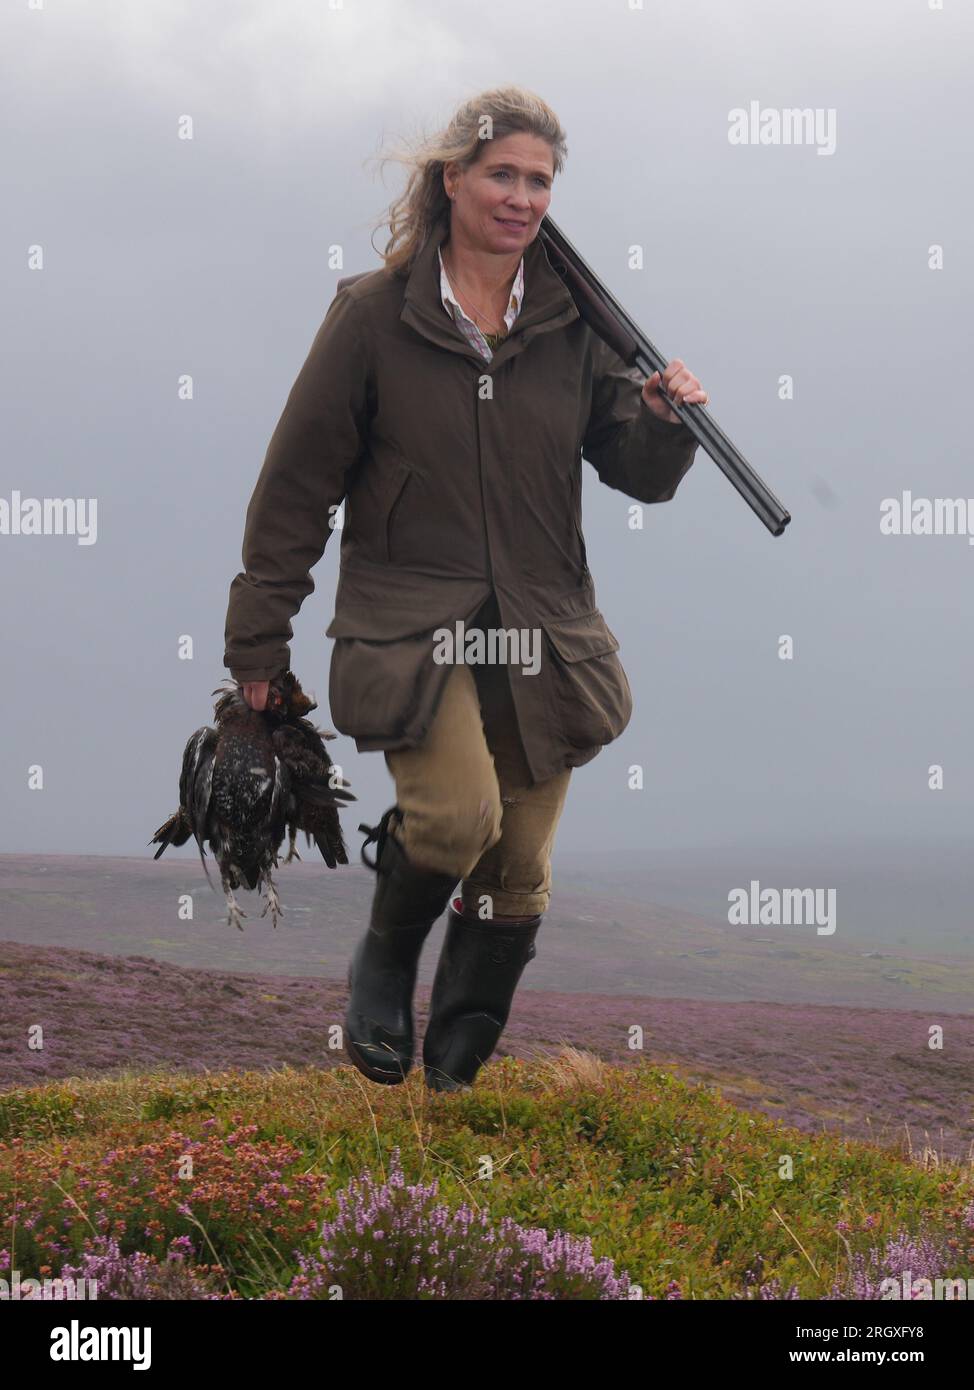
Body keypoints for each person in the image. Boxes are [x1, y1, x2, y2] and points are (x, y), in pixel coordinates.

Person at [223, 86, 707, 1093]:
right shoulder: (371, 317)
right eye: (501, 174)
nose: (521, 197)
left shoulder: (576, 327)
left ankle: (460, 1053)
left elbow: (639, 473)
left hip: (545, 634)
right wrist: (257, 648)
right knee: (454, 818)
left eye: (538, 180)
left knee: (515, 867)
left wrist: (663, 418)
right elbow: (295, 488)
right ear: (452, 179)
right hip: (410, 627)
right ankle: (384, 962)